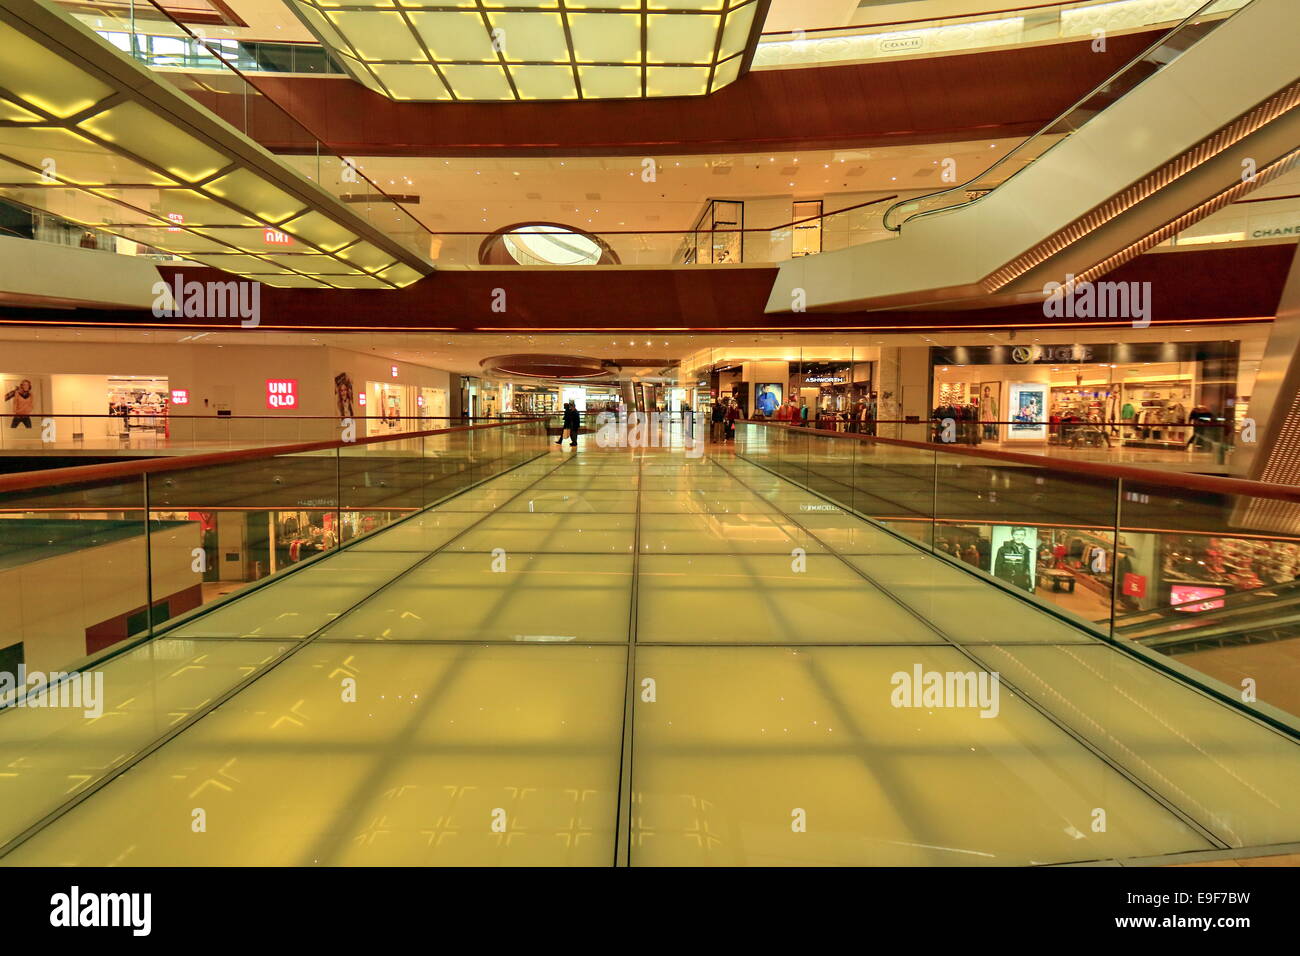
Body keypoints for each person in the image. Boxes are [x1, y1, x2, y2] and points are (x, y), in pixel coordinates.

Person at [994, 527, 1034, 592]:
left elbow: (1027, 569)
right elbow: (997, 568)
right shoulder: (1002, 549)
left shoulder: (1026, 550)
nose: (1019, 537)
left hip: (1021, 584)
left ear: (1024, 536)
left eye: (1021, 535)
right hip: (1006, 582)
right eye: (1016, 534)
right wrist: (997, 583)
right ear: (1012, 535)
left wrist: (1029, 585)